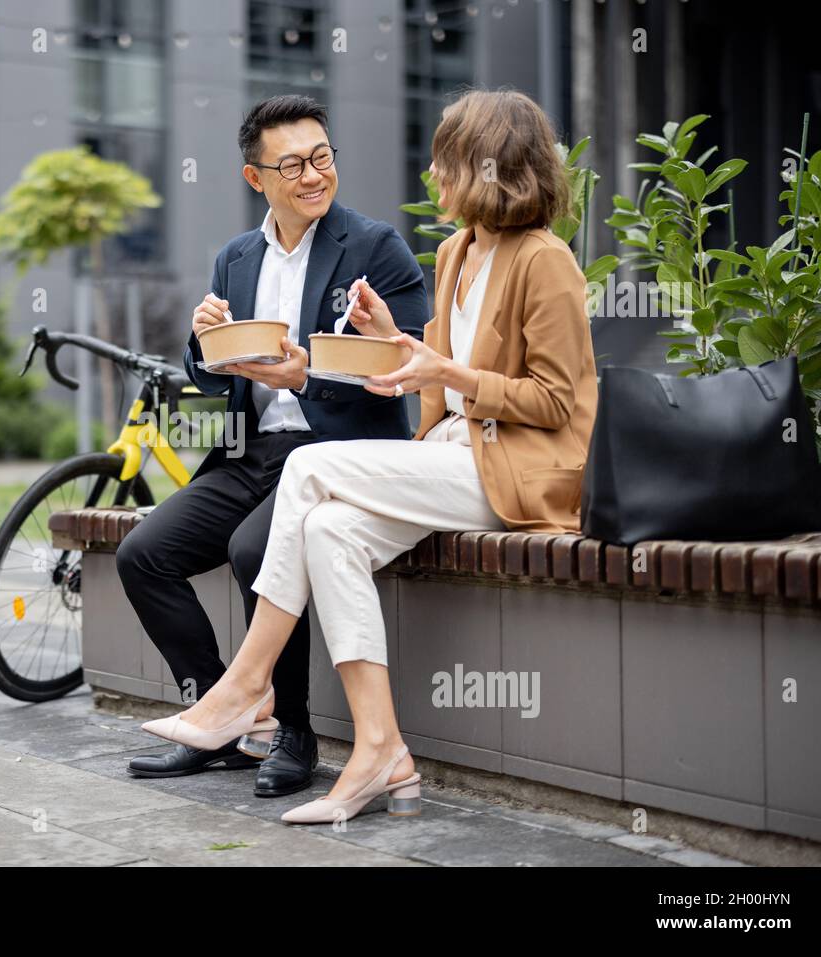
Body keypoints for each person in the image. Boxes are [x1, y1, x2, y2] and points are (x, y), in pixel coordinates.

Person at [141, 89, 598, 824]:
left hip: (520, 472)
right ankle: (381, 747)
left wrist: (443, 372)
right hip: (453, 454)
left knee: (309, 469)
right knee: (328, 531)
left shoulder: (545, 261)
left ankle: (244, 685)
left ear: (486, 168)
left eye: (443, 159)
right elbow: (430, 384)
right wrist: (395, 341)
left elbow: (557, 404)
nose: (430, 174)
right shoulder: (457, 253)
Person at [117, 94, 429, 797]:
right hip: (254, 449)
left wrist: (309, 374)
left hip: (338, 450)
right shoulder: (235, 258)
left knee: (255, 548)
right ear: (255, 177)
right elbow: (217, 367)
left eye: (321, 157)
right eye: (292, 164)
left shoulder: (374, 247)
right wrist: (202, 344)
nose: (313, 175)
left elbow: (404, 364)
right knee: (144, 554)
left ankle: (294, 730)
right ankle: (220, 717)